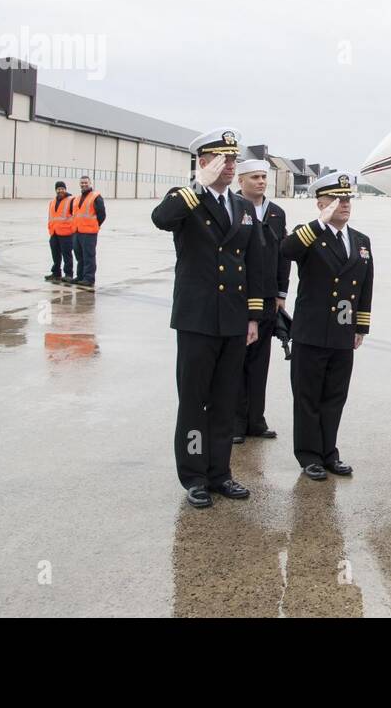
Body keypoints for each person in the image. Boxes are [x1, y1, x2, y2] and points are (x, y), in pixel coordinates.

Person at [151, 129, 266, 509]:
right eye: (222, 159)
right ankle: (194, 476)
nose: (231, 166)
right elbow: (161, 219)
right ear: (202, 162)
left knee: (223, 400)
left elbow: (253, 264)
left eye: (233, 160)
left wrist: (253, 317)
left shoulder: (244, 207)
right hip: (197, 320)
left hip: (233, 321)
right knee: (194, 401)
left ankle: (220, 473)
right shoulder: (185, 200)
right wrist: (196, 186)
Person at [280, 172, 372, 481]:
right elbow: (286, 251)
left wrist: (360, 327)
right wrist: (320, 222)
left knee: (335, 396)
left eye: (347, 200)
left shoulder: (360, 241)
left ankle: (329, 452)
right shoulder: (308, 234)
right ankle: (309, 456)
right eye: (336, 200)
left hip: (342, 334)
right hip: (311, 332)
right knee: (308, 397)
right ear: (321, 203)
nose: (344, 205)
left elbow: (365, 287)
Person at [232, 159, 290, 444]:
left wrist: (281, 294)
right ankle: (235, 422)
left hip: (268, 298)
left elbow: (283, 257)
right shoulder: (232, 208)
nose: (260, 182)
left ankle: (256, 419)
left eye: (263, 177)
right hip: (238, 297)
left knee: (260, 362)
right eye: (254, 177)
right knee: (236, 362)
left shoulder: (276, 214)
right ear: (240, 181)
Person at [71, 174, 106, 291]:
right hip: (77, 232)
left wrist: (95, 225)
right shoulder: (76, 198)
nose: (84, 184)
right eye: (82, 183)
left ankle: (89, 278)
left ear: (90, 183)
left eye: (86, 182)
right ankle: (80, 276)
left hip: (89, 232)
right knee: (79, 256)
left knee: (89, 256)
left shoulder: (96, 197)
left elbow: (102, 214)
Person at [45, 181, 76, 283]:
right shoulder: (52, 202)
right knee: (55, 255)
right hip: (54, 233)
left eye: (62, 189)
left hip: (66, 233)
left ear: (65, 189)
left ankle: (68, 274)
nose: (60, 190)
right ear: (56, 190)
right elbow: (51, 217)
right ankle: (56, 273)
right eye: (58, 189)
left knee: (67, 255)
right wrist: (50, 228)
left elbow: (75, 216)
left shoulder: (71, 200)